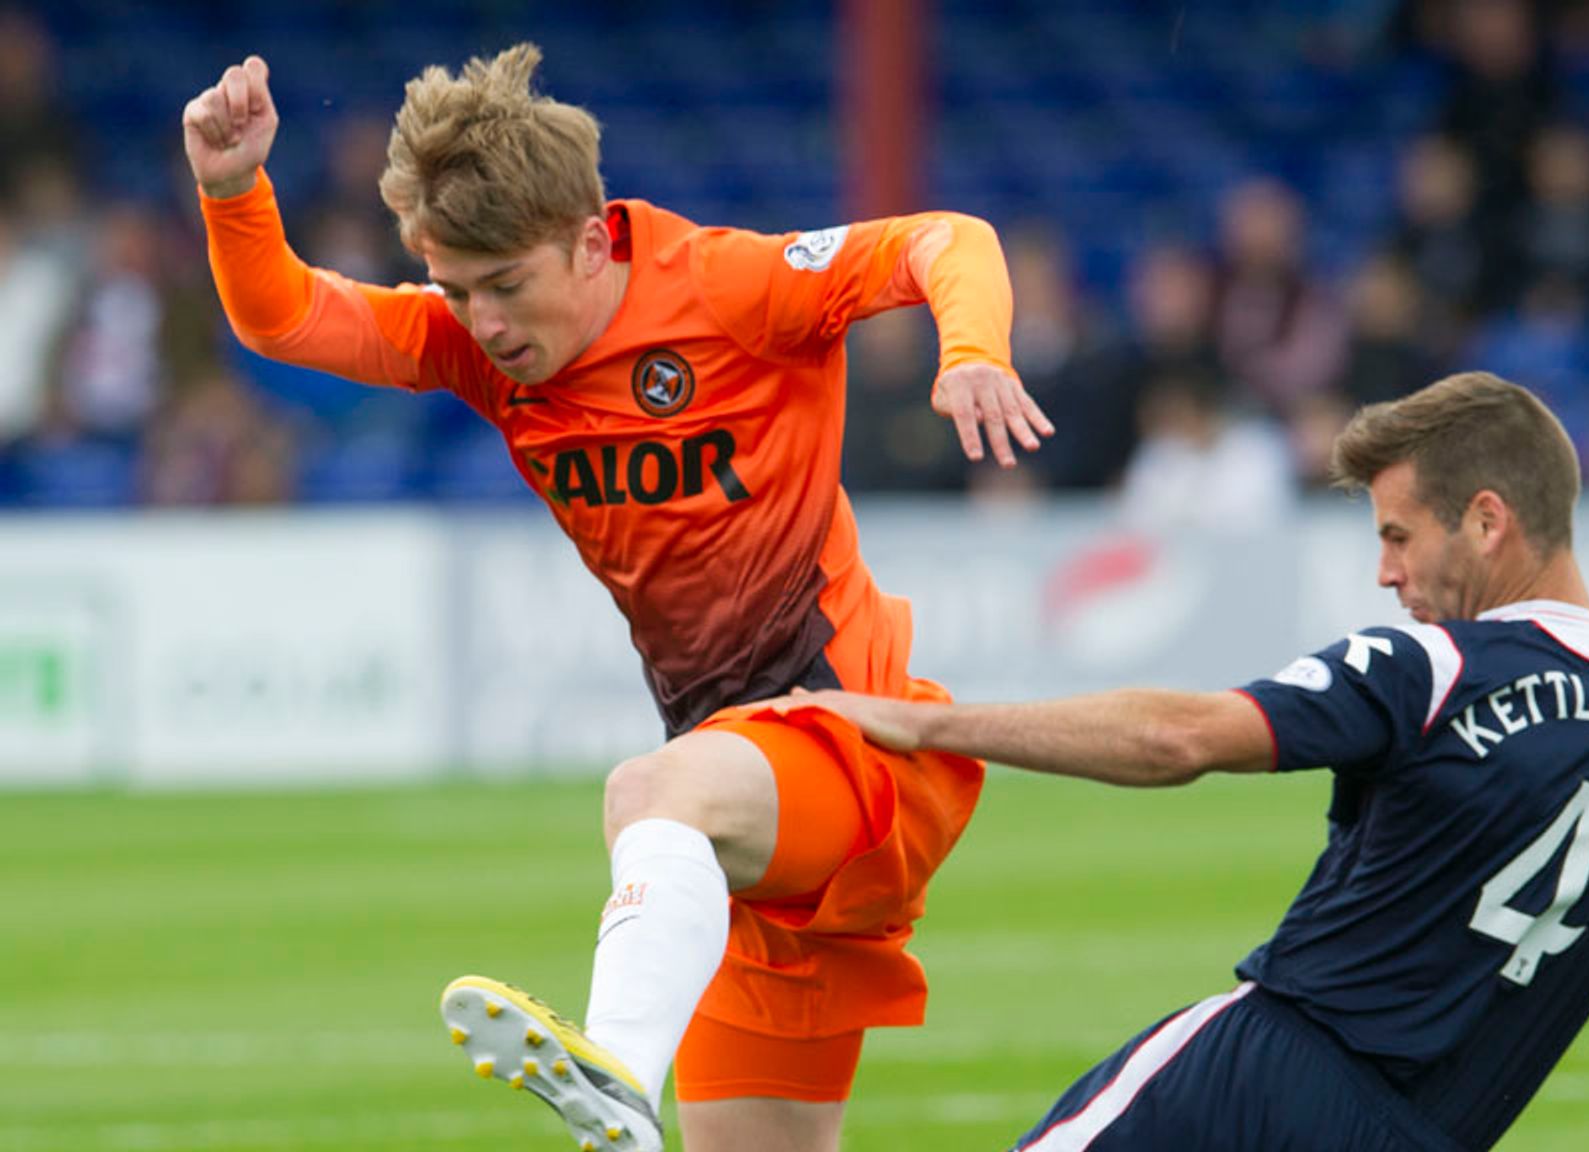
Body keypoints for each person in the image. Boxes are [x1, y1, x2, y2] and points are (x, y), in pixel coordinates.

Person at [774, 372, 1589, 1151]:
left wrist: (929, 724)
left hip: (1265, 1081)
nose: (1384, 573)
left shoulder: (1432, 668)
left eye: (1397, 535)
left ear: (1486, 521)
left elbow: (1176, 737)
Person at [180, 46, 1052, 1152]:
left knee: (648, 792)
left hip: (858, 744)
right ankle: (625, 1092)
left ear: (591, 243)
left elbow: (945, 238)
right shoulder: (476, 349)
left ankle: (615, 1078)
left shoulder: (728, 287)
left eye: (507, 285)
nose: (484, 321)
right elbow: (287, 317)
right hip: (742, 835)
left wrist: (970, 350)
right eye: (457, 289)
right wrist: (231, 190)